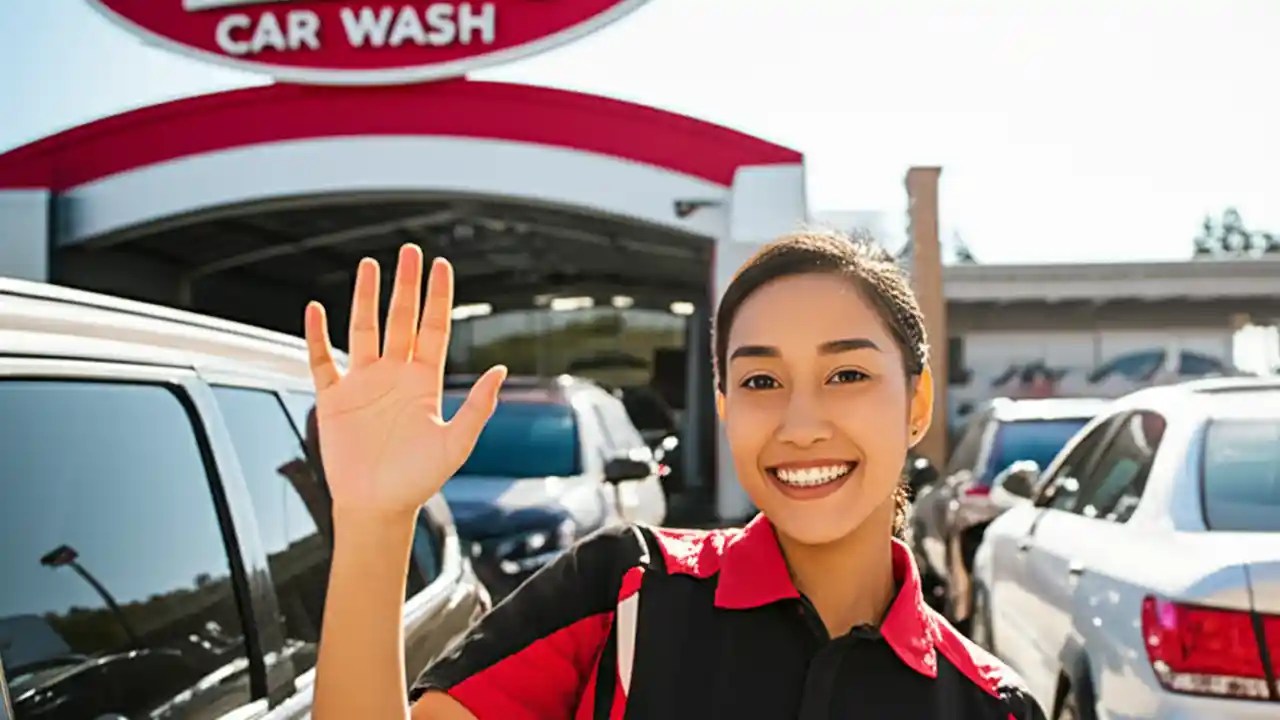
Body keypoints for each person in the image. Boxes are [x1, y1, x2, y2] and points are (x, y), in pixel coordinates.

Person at [305, 230, 1048, 719]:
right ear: (723, 405)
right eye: (760, 382)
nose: (800, 422)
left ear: (917, 401)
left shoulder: (992, 707)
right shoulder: (623, 593)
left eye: (847, 373)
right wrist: (376, 520)